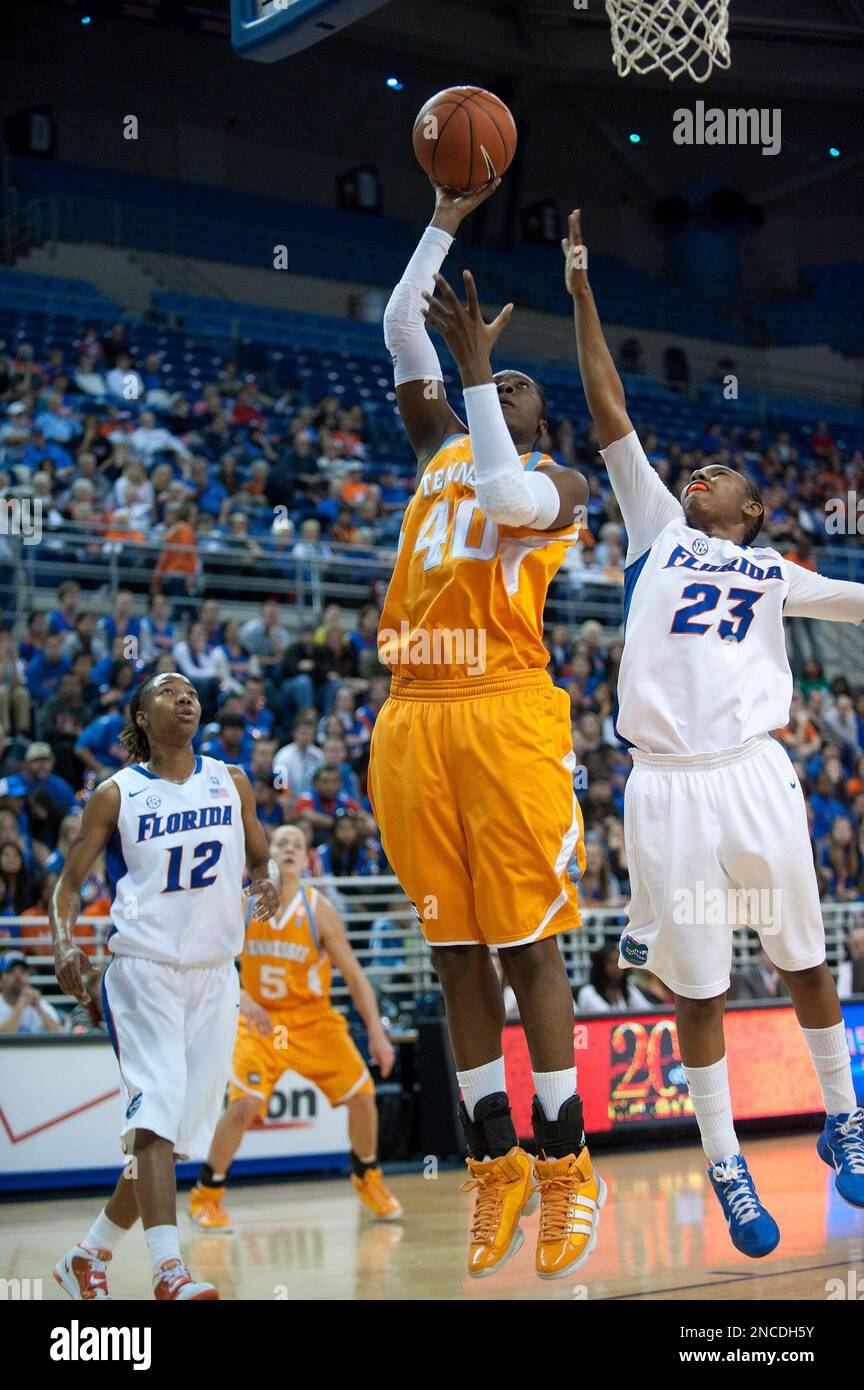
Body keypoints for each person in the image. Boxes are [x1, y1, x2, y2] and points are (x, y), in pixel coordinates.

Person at [566, 207, 864, 1258]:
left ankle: (844, 1116)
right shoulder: (656, 529)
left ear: (753, 506)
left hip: (754, 773)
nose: (701, 474)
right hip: (665, 786)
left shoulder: (779, 573)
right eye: (695, 471)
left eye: (721, 474)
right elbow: (607, 408)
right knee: (697, 986)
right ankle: (727, 1162)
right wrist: (581, 285)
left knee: (805, 962)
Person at [368, 176, 599, 1282]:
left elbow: (509, 505)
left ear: (539, 419)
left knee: (528, 945)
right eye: (488, 376)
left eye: (515, 382)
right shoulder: (436, 448)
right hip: (412, 718)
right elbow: (398, 320)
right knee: (454, 949)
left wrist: (476, 375)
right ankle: (494, 1160)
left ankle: (567, 1163)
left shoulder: (555, 482)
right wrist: (448, 215)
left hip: (503, 716)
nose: (493, 382)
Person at [50, 671, 280, 1301]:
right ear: (142, 717)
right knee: (154, 1115)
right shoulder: (116, 793)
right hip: (143, 972)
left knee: (172, 1138)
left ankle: (86, 1254)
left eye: (190, 692)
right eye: (167, 691)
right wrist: (64, 941)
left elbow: (262, 858)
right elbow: (69, 884)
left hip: (215, 976)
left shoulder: (230, 781)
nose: (185, 698)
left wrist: (268, 880)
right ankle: (167, 1271)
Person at [189, 823, 401, 1230]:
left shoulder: (319, 909)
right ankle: (206, 1195)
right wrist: (242, 996)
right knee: (245, 1104)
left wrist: (376, 1032)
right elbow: (211, 959)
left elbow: (355, 976)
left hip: (311, 1021)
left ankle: (367, 1177)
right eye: (281, 842)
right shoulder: (245, 903)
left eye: (297, 845)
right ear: (267, 853)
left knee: (362, 1096)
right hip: (258, 1021)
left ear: (305, 859)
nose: (288, 848)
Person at [0, 951, 62, 1034]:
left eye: (23, 972)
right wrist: (20, 1005)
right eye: (11, 972)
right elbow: (4, 1040)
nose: (18, 977)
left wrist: (39, 1007)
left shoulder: (40, 1004)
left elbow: (59, 1034)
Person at [577, 944, 651, 1013]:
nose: (618, 966)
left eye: (619, 961)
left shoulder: (627, 989)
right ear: (601, 966)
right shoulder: (588, 993)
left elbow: (648, 1011)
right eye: (613, 962)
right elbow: (605, 1015)